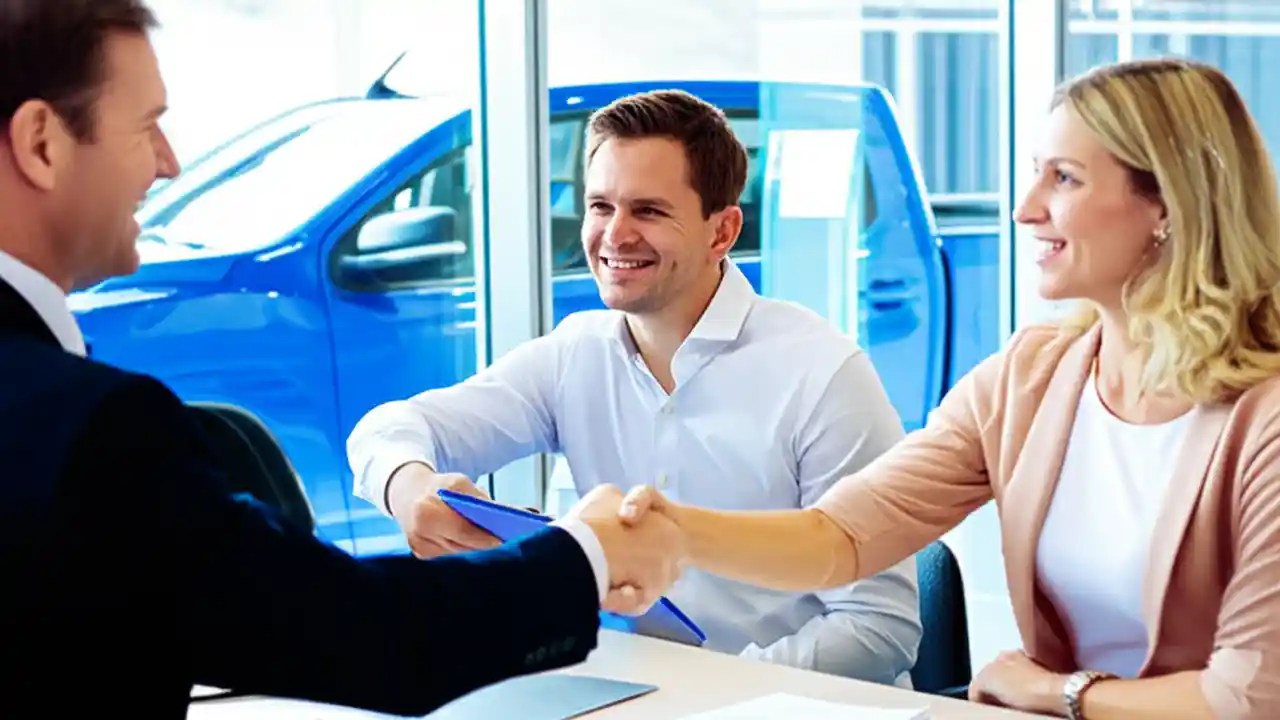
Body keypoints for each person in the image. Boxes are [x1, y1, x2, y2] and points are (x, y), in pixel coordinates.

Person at [0, 2, 685, 717]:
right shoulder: (90, 424)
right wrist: (585, 558)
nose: (170, 162)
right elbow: (359, 633)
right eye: (146, 127)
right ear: (42, 144)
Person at [613, 57, 1280, 720]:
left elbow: (1250, 697)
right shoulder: (1033, 377)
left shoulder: (1263, 419)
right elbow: (840, 537)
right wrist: (674, 531)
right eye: (1034, 174)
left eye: (1065, 179)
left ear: (1167, 203)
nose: (1025, 209)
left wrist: (1059, 694)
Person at [348, 88, 922, 686]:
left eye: (648, 211)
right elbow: (385, 431)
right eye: (600, 206)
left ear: (721, 232)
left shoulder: (821, 374)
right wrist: (407, 487)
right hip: (624, 692)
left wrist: (708, 694)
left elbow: (877, 629)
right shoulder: (575, 354)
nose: (614, 236)